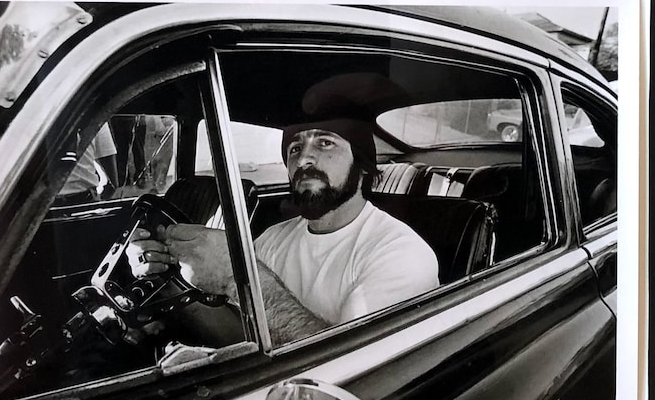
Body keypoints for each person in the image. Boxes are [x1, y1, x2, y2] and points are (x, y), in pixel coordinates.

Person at [130, 118, 438, 344]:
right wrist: (167, 286)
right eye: (294, 148)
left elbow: (347, 364)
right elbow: (244, 330)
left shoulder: (401, 254)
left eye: (325, 142)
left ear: (363, 164)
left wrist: (232, 277)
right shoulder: (275, 238)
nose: (303, 159)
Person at [56, 122, 118, 205]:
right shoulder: (96, 116)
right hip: (85, 198)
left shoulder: (38, 115)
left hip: (42, 201)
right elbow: (113, 182)